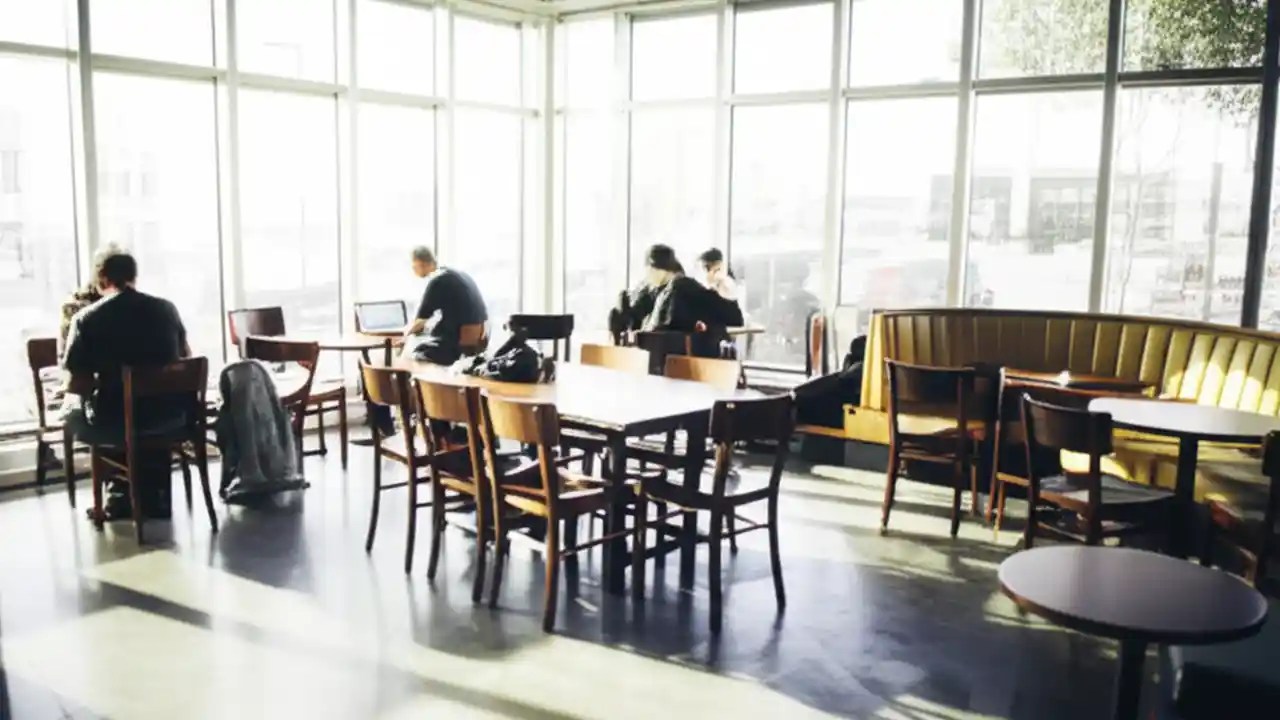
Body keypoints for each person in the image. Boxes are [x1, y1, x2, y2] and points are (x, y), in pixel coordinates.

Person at [62, 248, 191, 518]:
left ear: (101, 280)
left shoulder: (86, 319)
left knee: (74, 413)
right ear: (134, 275)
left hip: (117, 423)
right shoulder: (166, 309)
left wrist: (66, 391)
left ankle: (118, 494)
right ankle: (144, 495)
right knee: (125, 409)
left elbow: (78, 384)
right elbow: (185, 359)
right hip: (168, 417)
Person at [611, 244, 744, 357]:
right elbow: (734, 317)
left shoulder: (673, 289)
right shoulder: (680, 287)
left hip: (655, 364)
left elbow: (623, 310)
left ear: (656, 269)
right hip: (682, 367)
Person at [404, 246, 488, 364]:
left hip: (456, 346)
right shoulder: (457, 274)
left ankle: (416, 382)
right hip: (479, 341)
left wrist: (404, 336)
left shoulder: (437, 281)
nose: (413, 271)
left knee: (413, 351)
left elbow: (420, 321)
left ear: (421, 263)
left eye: (414, 267)